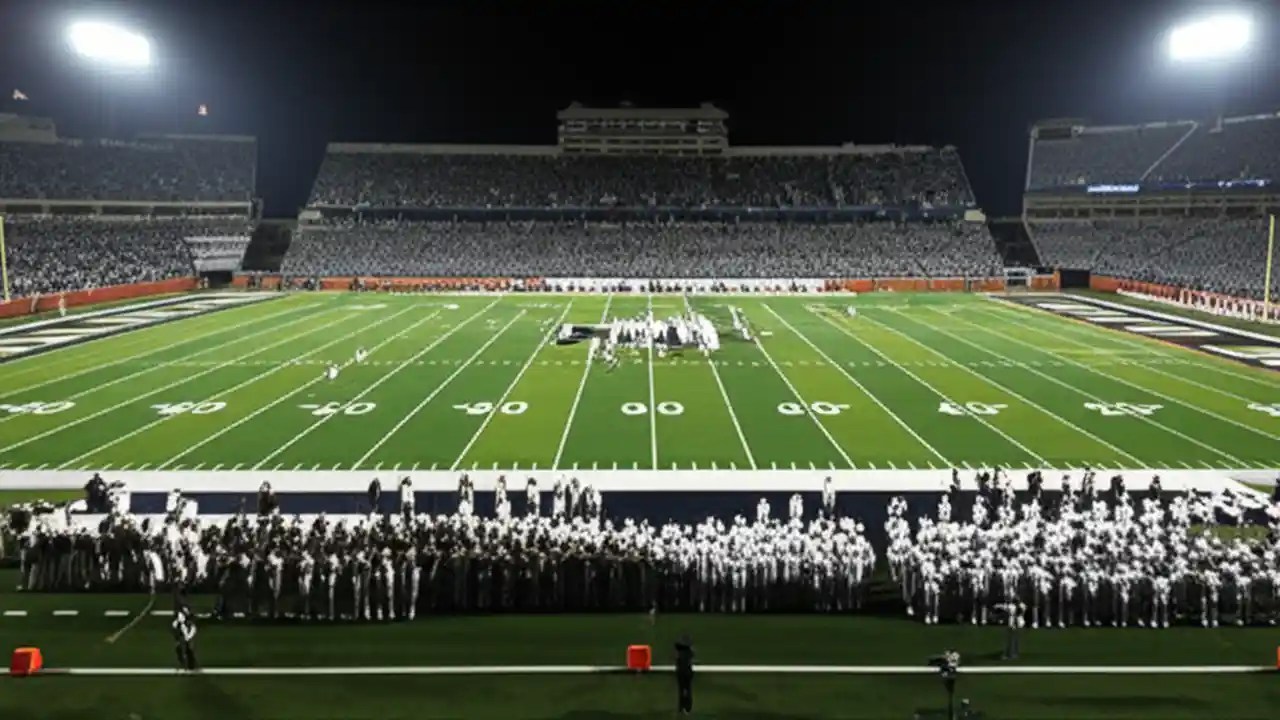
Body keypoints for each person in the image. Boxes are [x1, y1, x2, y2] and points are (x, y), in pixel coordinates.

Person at [171, 605, 199, 671]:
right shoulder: (176, 623)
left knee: (189, 650)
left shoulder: (189, 623)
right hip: (181, 639)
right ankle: (183, 663)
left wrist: (188, 637)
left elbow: (193, 629)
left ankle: (191, 665)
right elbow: (175, 631)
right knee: (179, 650)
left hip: (187, 639)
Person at [674, 635, 695, 715]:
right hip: (688, 673)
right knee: (688, 690)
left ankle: (681, 707)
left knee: (682, 690)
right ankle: (687, 708)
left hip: (681, 673)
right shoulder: (689, 653)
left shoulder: (680, 653)